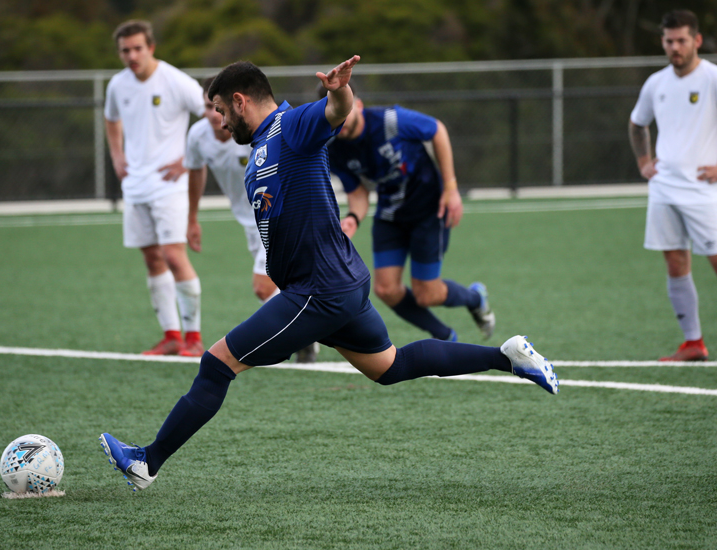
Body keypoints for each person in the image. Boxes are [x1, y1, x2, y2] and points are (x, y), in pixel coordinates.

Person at [99, 56, 559, 492]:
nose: (219, 121)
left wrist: (339, 92)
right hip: (337, 284)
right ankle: (507, 358)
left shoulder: (289, 126)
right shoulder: (262, 146)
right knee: (391, 367)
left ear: (240, 101)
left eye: (221, 110)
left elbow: (336, 111)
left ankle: (147, 463)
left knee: (217, 365)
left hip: (318, 291)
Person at [321, 88, 494, 343]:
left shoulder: (391, 120)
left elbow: (437, 130)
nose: (339, 119)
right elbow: (358, 193)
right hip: (390, 215)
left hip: (429, 210)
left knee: (427, 294)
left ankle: (475, 298)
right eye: (333, 113)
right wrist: (353, 218)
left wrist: (450, 187)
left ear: (358, 104)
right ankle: (444, 336)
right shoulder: (334, 148)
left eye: (343, 109)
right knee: (386, 289)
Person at [185, 77, 321, 363]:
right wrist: (192, 217)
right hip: (249, 222)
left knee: (264, 286)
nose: (214, 115)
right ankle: (307, 333)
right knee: (278, 287)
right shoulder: (197, 136)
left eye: (217, 107)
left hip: (275, 214)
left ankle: (307, 331)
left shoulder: (250, 132)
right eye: (207, 108)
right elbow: (195, 171)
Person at [104, 20, 205, 357]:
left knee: (174, 256)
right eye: (125, 50)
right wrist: (117, 155)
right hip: (135, 186)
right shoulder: (117, 85)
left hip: (170, 186)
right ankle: (171, 336)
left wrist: (187, 159)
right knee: (152, 259)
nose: (132, 56)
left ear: (151, 48)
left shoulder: (176, 81)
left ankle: (194, 338)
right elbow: (111, 118)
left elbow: (211, 112)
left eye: (137, 48)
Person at [629, 10, 717, 362]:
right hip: (664, 188)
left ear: (697, 40)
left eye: (682, 40)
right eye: (669, 41)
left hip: (704, 190)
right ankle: (693, 343)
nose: (675, 47)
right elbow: (637, 124)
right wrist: (644, 162)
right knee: (675, 263)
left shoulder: (712, 78)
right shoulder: (656, 83)